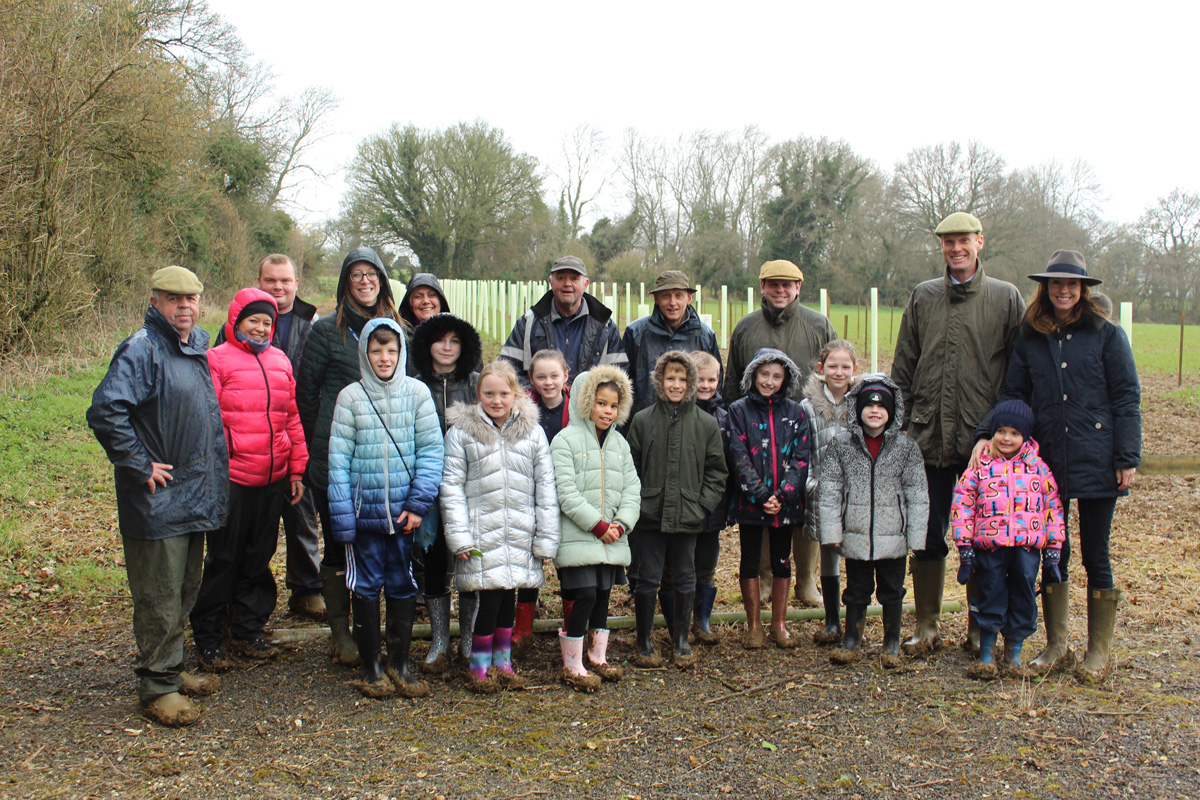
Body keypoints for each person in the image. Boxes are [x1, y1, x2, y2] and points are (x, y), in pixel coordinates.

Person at [973, 250, 1140, 681]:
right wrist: (988, 436)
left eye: (1071, 284)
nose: (1063, 291)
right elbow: (1014, 394)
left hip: (1099, 458)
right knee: (1054, 551)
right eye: (1056, 284)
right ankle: (1056, 643)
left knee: (1096, 554)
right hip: (1047, 465)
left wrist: (1126, 457)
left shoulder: (1107, 334)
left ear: (1083, 289)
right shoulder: (1030, 338)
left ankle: (1097, 651)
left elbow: (1126, 398)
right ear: (1045, 288)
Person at [87, 266, 228, 727]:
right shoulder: (142, 349)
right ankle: (157, 685)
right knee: (159, 595)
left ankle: (172, 667)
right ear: (155, 303)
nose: (183, 307)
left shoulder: (193, 349)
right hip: (157, 501)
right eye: (173, 299)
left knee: (184, 589)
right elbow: (107, 409)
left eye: (190, 300)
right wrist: (139, 463)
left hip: (193, 497)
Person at [891, 211, 1025, 656]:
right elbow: (904, 365)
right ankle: (927, 625)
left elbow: (1017, 372)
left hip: (980, 443)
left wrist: (998, 432)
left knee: (982, 536)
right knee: (927, 532)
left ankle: (978, 626)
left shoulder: (1005, 298)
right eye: (948, 242)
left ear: (980, 242)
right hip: (927, 438)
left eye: (963, 240)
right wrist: (903, 424)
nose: (956, 249)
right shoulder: (924, 296)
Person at [191, 288, 308, 671]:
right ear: (236, 321)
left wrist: (296, 468)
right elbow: (207, 420)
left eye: (266, 323)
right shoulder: (216, 360)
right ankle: (209, 635)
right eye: (253, 321)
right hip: (233, 478)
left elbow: (291, 416)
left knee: (259, 556)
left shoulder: (280, 361)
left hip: (271, 477)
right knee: (224, 556)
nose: (260, 328)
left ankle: (249, 629)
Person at [327, 318, 444, 697]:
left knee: (403, 584)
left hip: (404, 516)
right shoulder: (351, 397)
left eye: (391, 350)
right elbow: (339, 462)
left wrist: (417, 504)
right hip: (365, 516)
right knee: (365, 586)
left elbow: (431, 451)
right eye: (376, 350)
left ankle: (400, 663)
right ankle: (371, 666)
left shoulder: (418, 394)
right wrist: (345, 519)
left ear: (401, 352)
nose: (384, 357)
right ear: (364, 352)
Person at [298, 247, 399, 665]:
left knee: (380, 545)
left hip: (383, 460)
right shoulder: (325, 332)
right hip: (335, 457)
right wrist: (310, 451)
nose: (364, 280)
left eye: (371, 273)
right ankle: (342, 633)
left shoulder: (396, 330)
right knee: (341, 544)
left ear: (382, 280)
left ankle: (371, 630)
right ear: (345, 283)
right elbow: (306, 394)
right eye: (355, 274)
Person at [440, 361, 560, 694]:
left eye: (504, 393)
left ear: (516, 394)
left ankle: (503, 662)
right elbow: (451, 487)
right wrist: (460, 536)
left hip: (520, 531)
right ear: (478, 394)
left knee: (509, 597)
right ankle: (479, 667)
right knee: (489, 599)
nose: (496, 400)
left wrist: (546, 537)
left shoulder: (532, 432)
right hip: (483, 531)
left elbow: (545, 485)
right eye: (489, 393)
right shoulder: (462, 433)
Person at [725, 259, 834, 610]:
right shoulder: (746, 327)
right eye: (773, 284)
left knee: (802, 499)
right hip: (755, 427)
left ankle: (805, 580)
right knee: (764, 500)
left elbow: (833, 374)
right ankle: (768, 578)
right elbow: (733, 382)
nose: (781, 290)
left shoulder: (817, 324)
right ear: (762, 287)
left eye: (788, 284)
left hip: (805, 427)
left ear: (799, 287)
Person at [819, 376, 929, 668]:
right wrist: (832, 531)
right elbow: (829, 490)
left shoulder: (905, 448)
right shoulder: (842, 445)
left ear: (893, 411)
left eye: (881, 407)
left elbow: (917, 493)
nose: (875, 411)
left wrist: (916, 538)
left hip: (893, 536)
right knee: (856, 589)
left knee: (892, 589)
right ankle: (852, 640)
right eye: (868, 405)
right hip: (855, 535)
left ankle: (891, 643)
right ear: (857, 409)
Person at [627, 351, 727, 668]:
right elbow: (629, 470)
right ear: (659, 381)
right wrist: (639, 505)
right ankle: (644, 641)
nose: (676, 384)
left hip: (688, 516)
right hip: (649, 516)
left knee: (686, 578)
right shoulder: (642, 421)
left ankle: (681, 639)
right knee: (647, 578)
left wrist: (701, 507)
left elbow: (717, 473)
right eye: (670, 378)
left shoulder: (706, 424)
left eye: (683, 379)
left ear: (692, 383)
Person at [954, 400, 1065, 680]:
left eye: (1015, 433)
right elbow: (962, 505)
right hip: (990, 547)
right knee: (990, 593)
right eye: (1001, 431)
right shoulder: (980, 466)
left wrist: (1053, 550)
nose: (1006, 438)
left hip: (1026, 548)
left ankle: (1014, 654)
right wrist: (965, 548)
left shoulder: (1039, 469)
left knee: (1023, 596)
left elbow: (1052, 507)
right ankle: (987, 654)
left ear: (1025, 436)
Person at [550, 366, 641, 691]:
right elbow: (566, 492)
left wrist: (621, 523)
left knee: (603, 595)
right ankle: (572, 663)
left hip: (612, 538)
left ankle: (597, 656)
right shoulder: (565, 441)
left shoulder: (620, 444)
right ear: (585, 402)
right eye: (601, 403)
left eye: (613, 406)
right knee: (585, 595)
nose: (607, 411)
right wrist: (598, 524)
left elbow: (632, 487)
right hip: (580, 537)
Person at [409, 313, 482, 673]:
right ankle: (440, 639)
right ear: (428, 345)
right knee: (434, 558)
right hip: (427, 486)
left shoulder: (475, 384)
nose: (447, 347)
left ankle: (468, 639)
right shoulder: (414, 385)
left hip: (469, 487)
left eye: (455, 341)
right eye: (441, 340)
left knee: (468, 561)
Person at [255, 254, 325, 620]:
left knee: (302, 513)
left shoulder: (312, 323)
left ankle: (306, 588)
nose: (278, 287)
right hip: (253, 437)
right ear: (259, 281)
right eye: (271, 280)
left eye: (285, 281)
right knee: (257, 520)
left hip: (299, 433)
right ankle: (249, 593)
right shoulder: (240, 321)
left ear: (297, 283)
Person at [727, 348, 810, 650]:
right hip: (752, 502)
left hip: (785, 506)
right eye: (764, 374)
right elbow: (738, 456)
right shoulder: (738, 411)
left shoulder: (796, 412)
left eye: (776, 376)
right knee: (749, 559)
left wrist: (785, 494)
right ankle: (753, 626)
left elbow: (802, 457)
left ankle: (779, 624)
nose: (769, 381)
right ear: (753, 375)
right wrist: (761, 494)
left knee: (781, 560)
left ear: (785, 378)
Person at [799, 339, 858, 645]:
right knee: (830, 557)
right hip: (823, 494)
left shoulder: (864, 404)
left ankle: (855, 621)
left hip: (857, 497)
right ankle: (832, 621)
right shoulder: (807, 408)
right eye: (832, 366)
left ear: (854, 370)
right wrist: (812, 486)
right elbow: (802, 453)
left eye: (845, 367)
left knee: (859, 559)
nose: (839, 372)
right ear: (821, 369)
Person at [515, 348, 572, 655]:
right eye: (541, 376)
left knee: (568, 563)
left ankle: (574, 628)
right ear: (531, 379)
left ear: (566, 376)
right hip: (531, 497)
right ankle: (523, 629)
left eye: (554, 376)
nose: (548, 382)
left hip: (565, 496)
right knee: (529, 562)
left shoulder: (577, 409)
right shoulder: (522, 412)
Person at [499, 255, 627, 388]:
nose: (567, 284)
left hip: (587, 408)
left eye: (574, 278)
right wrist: (541, 395)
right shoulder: (528, 323)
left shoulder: (605, 326)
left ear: (586, 284)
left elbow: (619, 377)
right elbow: (507, 371)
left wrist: (586, 398)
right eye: (561, 278)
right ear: (551, 282)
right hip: (538, 407)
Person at [622, 269, 722, 419]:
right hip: (646, 424)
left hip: (691, 425)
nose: (672, 303)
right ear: (656, 298)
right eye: (666, 296)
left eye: (678, 296)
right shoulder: (635, 333)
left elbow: (716, 386)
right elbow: (623, 384)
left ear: (689, 298)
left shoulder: (705, 335)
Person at [690, 350, 731, 644]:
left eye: (711, 380)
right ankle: (679, 618)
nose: (706, 385)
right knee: (678, 566)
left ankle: (702, 620)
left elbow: (727, 464)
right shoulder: (678, 414)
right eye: (700, 379)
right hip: (683, 506)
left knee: (706, 565)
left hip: (712, 507)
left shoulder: (725, 418)